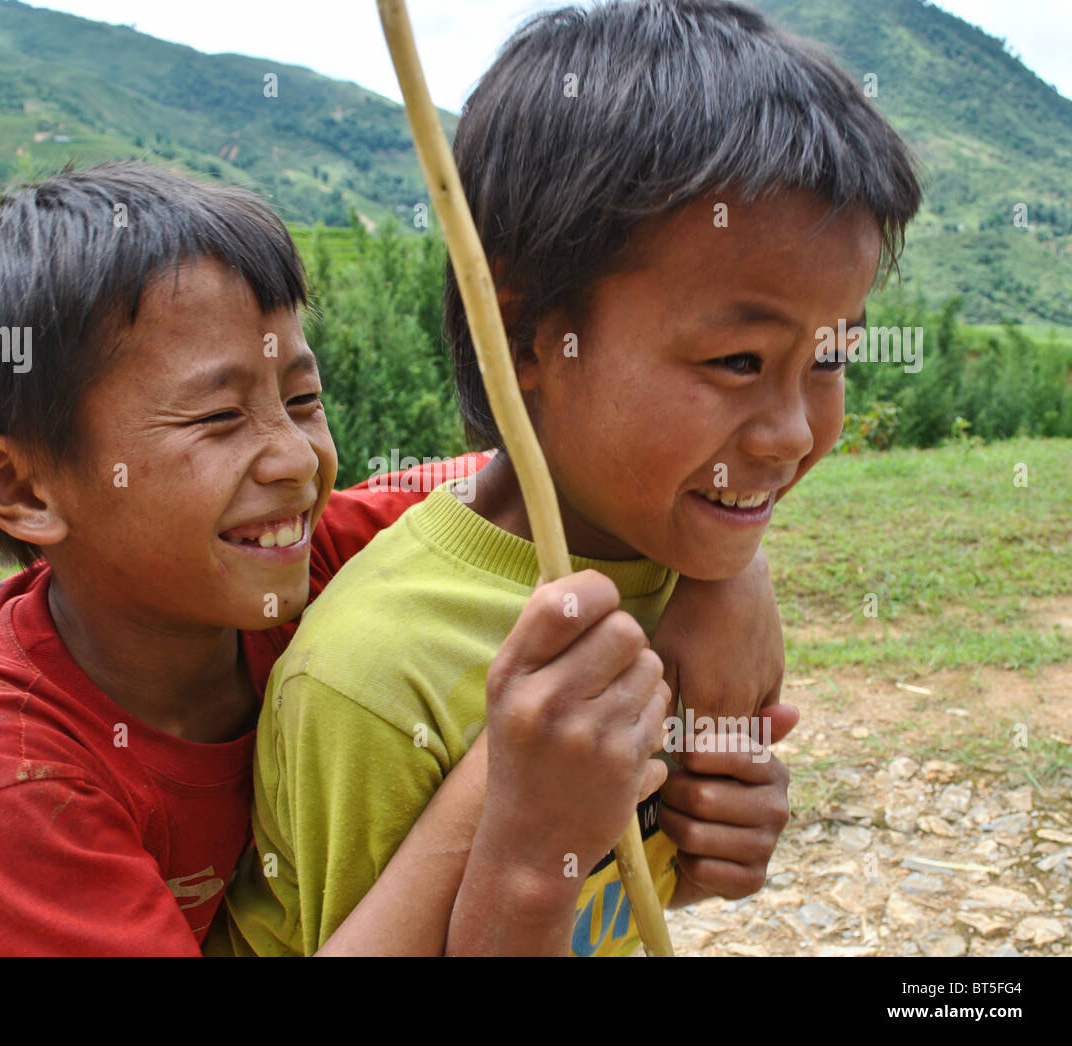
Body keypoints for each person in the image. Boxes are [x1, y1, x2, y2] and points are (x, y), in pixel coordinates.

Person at [0, 160, 786, 955]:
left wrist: (727, 578)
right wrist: (511, 797)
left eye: (302, 398)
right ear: (22, 488)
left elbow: (585, 477)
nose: (296, 459)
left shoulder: (314, 550)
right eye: (216, 416)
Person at [216, 0, 921, 956]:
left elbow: (620, 904)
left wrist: (699, 842)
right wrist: (531, 846)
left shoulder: (669, 558)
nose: (794, 434)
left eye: (832, 356)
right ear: (525, 336)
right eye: (740, 362)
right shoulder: (378, 683)